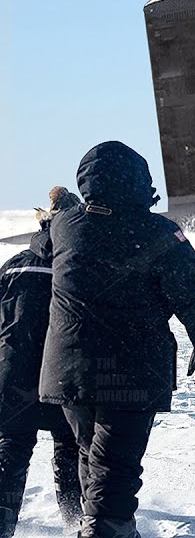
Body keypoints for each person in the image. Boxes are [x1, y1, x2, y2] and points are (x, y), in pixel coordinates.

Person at [40, 142, 195, 538]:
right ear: (139, 182)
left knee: (93, 455)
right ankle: (106, 529)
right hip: (129, 367)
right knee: (115, 466)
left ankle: (103, 524)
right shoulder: (157, 231)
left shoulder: (65, 226)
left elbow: (45, 243)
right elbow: (190, 289)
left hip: (69, 369)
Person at [0, 189, 85, 537]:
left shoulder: (13, 266)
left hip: (13, 375)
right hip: (62, 374)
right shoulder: (77, 265)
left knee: (12, 451)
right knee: (69, 448)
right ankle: (75, 521)